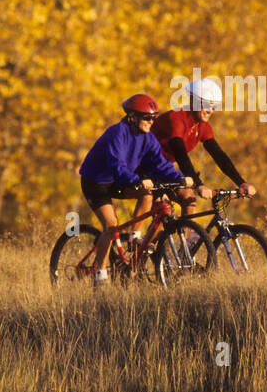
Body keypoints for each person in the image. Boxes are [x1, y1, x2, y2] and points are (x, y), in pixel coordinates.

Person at [79, 94, 205, 284]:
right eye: (148, 118)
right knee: (111, 226)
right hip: (96, 182)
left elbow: (160, 163)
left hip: (119, 181)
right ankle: (101, 276)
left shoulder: (147, 137)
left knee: (149, 195)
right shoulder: (117, 133)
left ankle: (134, 238)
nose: (152, 121)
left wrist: (178, 178)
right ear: (132, 117)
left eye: (154, 117)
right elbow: (117, 165)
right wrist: (136, 179)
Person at [152, 78, 257, 222]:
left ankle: (186, 243)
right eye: (207, 105)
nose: (211, 110)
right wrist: (198, 183)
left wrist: (241, 182)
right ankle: (139, 241)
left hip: (165, 168)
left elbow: (218, 155)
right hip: (145, 166)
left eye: (215, 107)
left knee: (190, 199)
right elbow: (180, 153)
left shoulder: (202, 125)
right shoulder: (177, 117)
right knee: (164, 213)